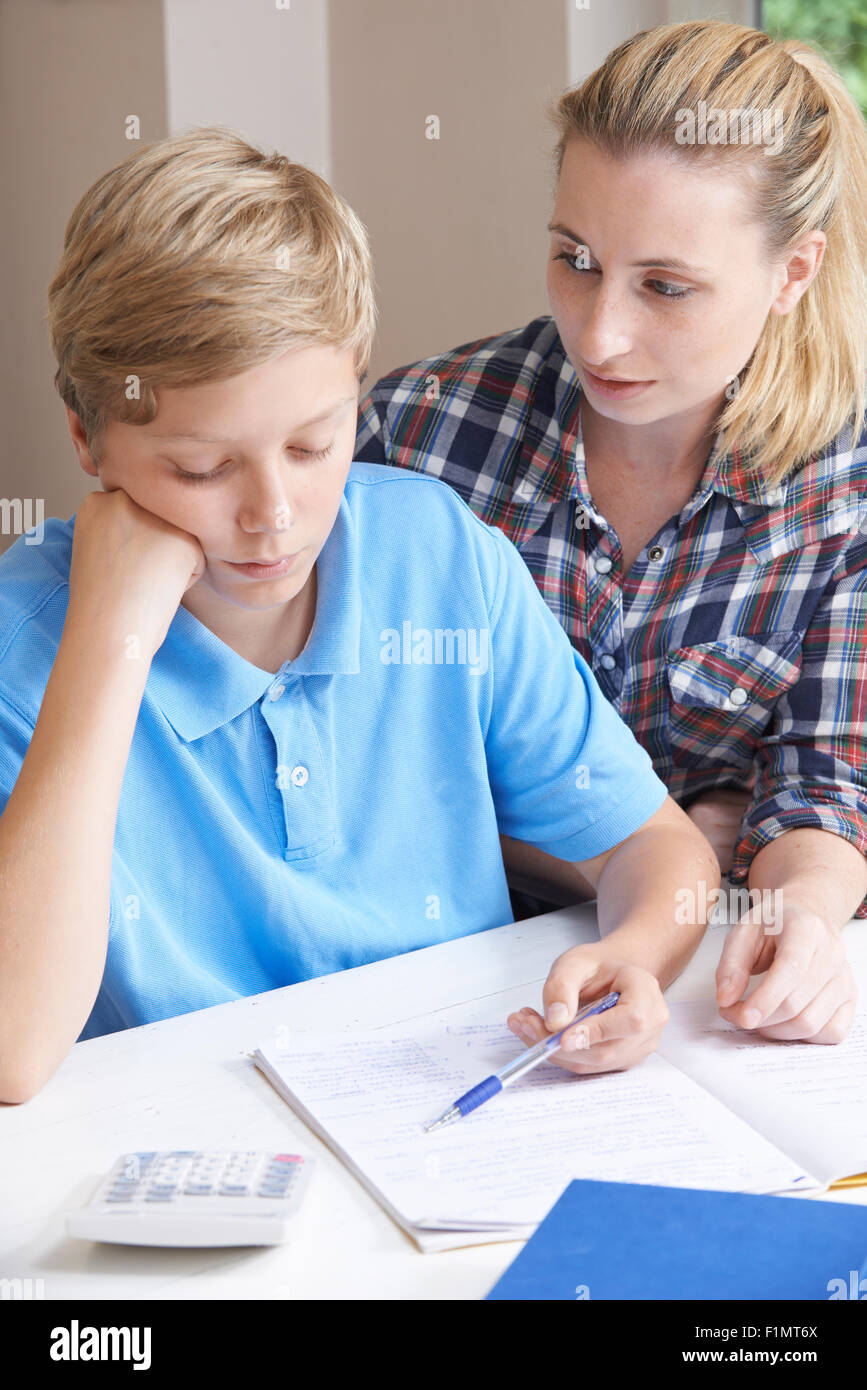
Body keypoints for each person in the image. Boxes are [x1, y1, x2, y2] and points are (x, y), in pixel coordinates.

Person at [0, 126, 719, 1103]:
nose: (274, 517)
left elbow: (655, 848)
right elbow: (13, 1046)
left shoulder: (436, 554)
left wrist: (635, 954)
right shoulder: (25, 646)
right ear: (89, 441)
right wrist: (108, 641)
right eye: (202, 468)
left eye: (312, 444)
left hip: (453, 1115)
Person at [355, 20, 867, 1047]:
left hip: (701, 989)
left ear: (793, 274)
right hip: (440, 977)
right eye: (575, 260)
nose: (599, 334)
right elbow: (369, 773)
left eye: (665, 287)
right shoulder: (415, 437)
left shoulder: (843, 488)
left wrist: (800, 911)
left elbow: (824, 780)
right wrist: (686, 838)